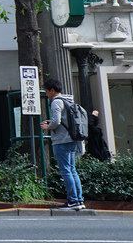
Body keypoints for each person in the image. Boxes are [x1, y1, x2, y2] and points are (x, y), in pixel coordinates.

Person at [40, 78, 85, 210]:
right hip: (72, 140)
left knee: (66, 171)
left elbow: (56, 122)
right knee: (72, 170)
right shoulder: (67, 101)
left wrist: (46, 127)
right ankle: (79, 200)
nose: (46, 94)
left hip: (62, 141)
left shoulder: (56, 102)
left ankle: (73, 200)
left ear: (52, 90)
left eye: (47, 92)